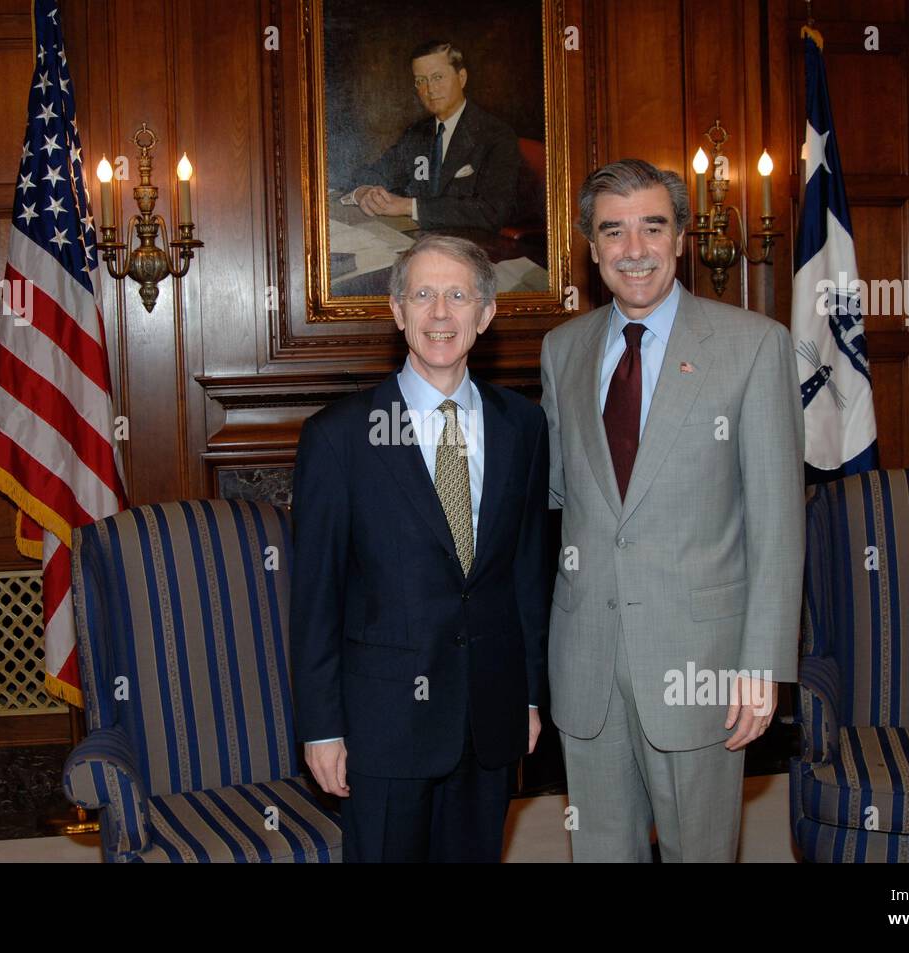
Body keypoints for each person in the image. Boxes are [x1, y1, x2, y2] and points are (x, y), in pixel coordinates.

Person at [539, 159, 805, 862]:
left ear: (682, 237)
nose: (634, 249)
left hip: (705, 665)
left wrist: (763, 664)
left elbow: (779, 522)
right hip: (586, 659)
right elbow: (560, 497)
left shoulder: (754, 346)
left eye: (652, 228)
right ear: (591, 249)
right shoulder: (560, 350)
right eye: (613, 231)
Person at [291, 234, 549, 862]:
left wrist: (531, 695)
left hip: (488, 714)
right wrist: (322, 727)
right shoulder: (339, 437)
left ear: (485, 315)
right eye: (424, 295)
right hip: (383, 725)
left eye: (458, 296)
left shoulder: (523, 425)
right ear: (397, 310)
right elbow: (314, 598)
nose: (441, 313)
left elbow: (528, 571)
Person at [342, 40, 521, 232]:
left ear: (461, 78)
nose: (430, 90)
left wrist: (408, 206)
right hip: (419, 240)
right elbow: (375, 172)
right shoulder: (417, 133)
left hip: (472, 244)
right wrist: (364, 192)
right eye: (421, 81)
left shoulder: (497, 135)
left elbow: (493, 212)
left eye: (437, 77)